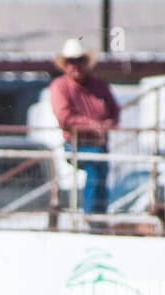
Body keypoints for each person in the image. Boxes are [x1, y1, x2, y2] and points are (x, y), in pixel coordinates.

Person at [49, 37, 120, 215]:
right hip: (75, 143)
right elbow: (64, 117)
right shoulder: (60, 87)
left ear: (86, 62)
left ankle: (98, 214)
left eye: (79, 61)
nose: (75, 66)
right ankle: (92, 216)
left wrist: (107, 124)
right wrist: (92, 125)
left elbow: (114, 111)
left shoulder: (100, 86)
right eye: (71, 62)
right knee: (96, 169)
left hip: (100, 143)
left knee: (100, 173)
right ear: (65, 65)